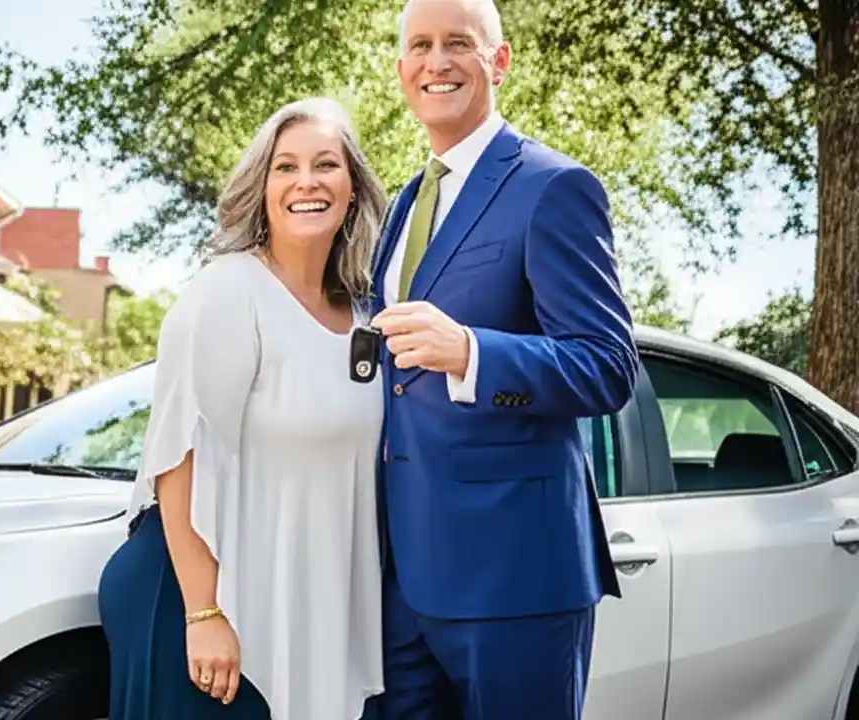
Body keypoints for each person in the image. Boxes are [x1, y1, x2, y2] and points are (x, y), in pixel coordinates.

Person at [367, 0, 640, 718]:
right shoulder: (403, 204)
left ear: (499, 59)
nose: (437, 62)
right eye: (420, 46)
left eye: (459, 43)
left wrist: (472, 353)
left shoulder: (553, 187)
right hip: (402, 579)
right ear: (401, 70)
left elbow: (608, 365)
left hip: (515, 576)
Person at [97, 97, 389, 720]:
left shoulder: (366, 316)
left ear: (353, 189)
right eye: (286, 167)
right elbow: (181, 455)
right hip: (198, 597)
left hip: (304, 598)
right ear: (261, 189)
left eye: (325, 165)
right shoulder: (229, 290)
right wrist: (204, 614)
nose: (306, 182)